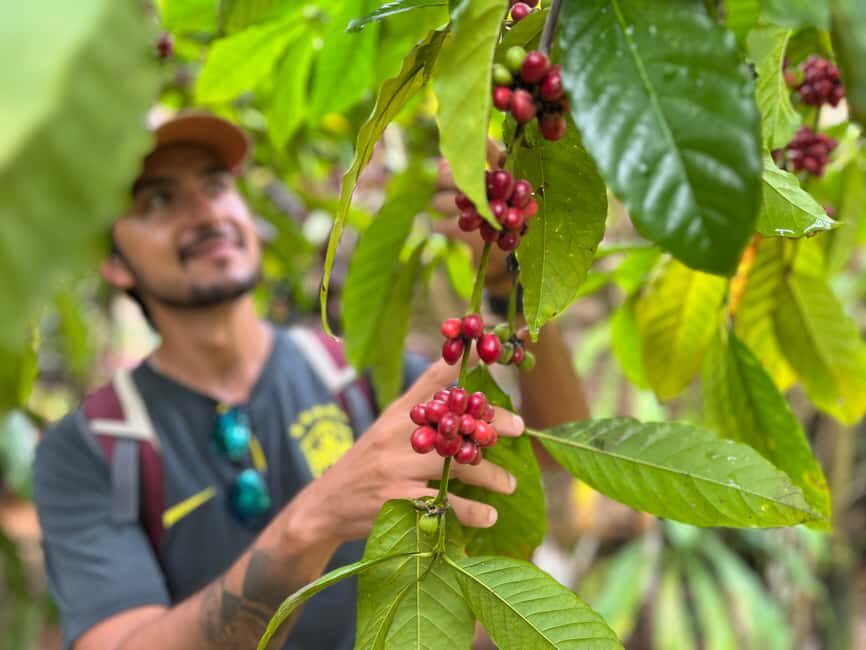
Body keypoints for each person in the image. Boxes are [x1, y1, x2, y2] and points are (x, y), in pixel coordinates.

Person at [33, 113, 588, 650]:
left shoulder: (359, 373)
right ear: (114, 263)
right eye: (158, 200)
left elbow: (553, 443)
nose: (204, 213)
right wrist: (314, 520)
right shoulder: (90, 447)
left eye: (216, 185)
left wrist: (508, 278)